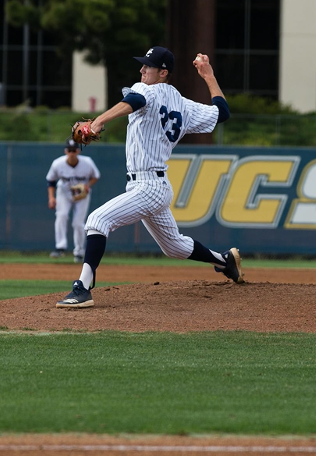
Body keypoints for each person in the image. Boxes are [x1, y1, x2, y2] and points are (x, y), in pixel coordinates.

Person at [56, 46, 244, 309]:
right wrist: (209, 76)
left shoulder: (147, 90)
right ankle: (224, 261)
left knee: (97, 220)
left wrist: (97, 122)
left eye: (149, 66)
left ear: (163, 73)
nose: (142, 69)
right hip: (154, 185)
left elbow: (135, 102)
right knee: (174, 247)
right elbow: (221, 113)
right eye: (143, 65)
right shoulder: (183, 105)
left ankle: (82, 288)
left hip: (148, 186)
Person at [46, 139, 101, 263]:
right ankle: (60, 247)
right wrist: (51, 197)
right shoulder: (57, 163)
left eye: (74, 150)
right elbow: (51, 181)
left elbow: (96, 176)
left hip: (82, 195)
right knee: (61, 215)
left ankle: (79, 252)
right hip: (64, 193)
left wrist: (88, 185)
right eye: (69, 150)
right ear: (66, 151)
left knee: (78, 223)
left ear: (78, 151)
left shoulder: (87, 162)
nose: (71, 153)